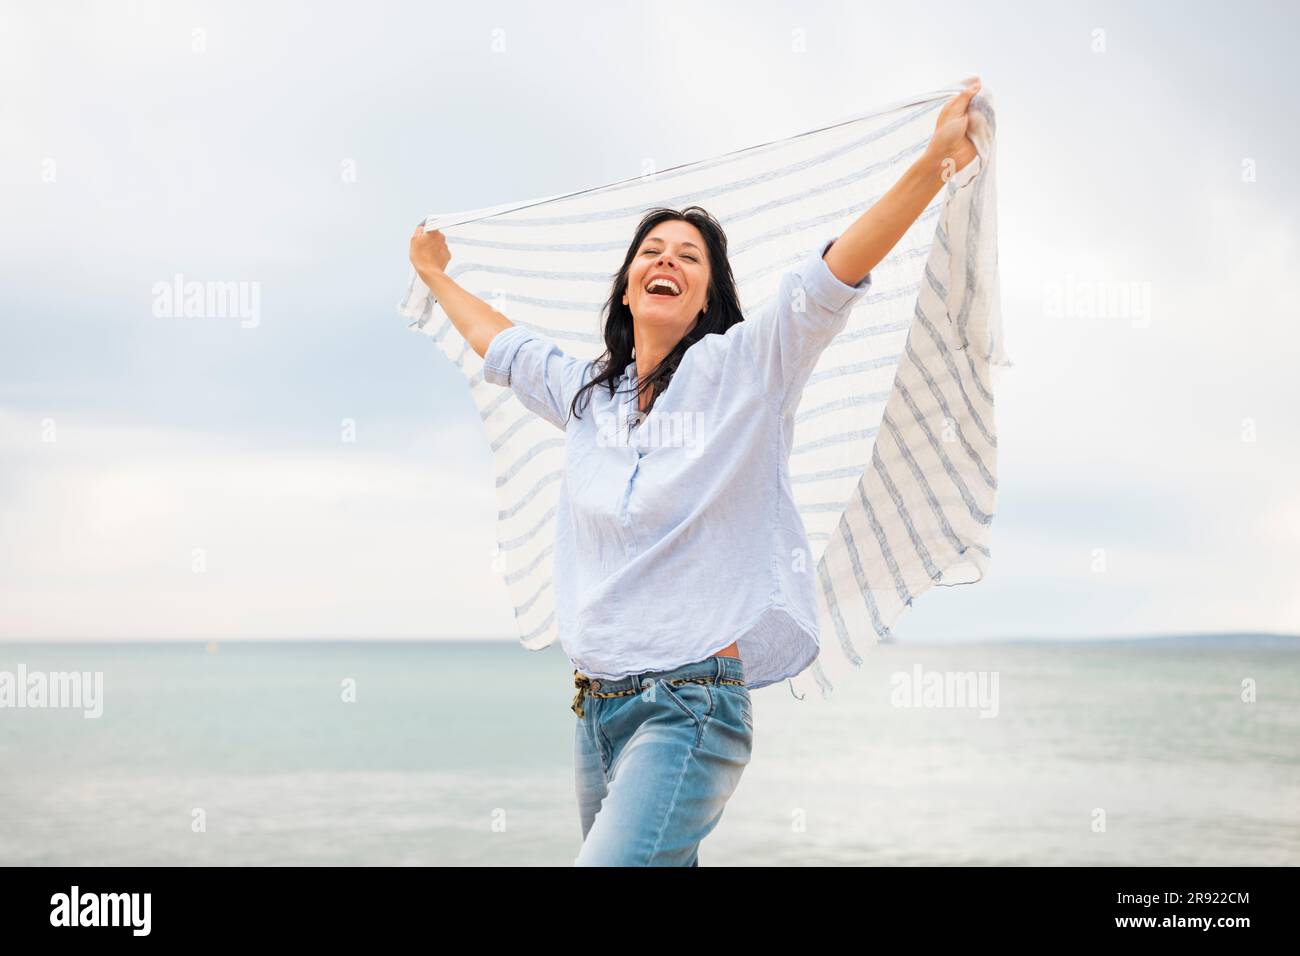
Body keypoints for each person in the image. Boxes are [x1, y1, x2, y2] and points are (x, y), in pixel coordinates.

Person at [408, 79, 983, 866]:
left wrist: (931, 167)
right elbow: (504, 346)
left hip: (690, 707)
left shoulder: (746, 369)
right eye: (651, 252)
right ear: (627, 285)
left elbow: (827, 282)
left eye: (688, 257)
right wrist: (435, 275)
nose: (666, 261)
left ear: (709, 294)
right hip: (596, 711)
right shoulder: (587, 398)